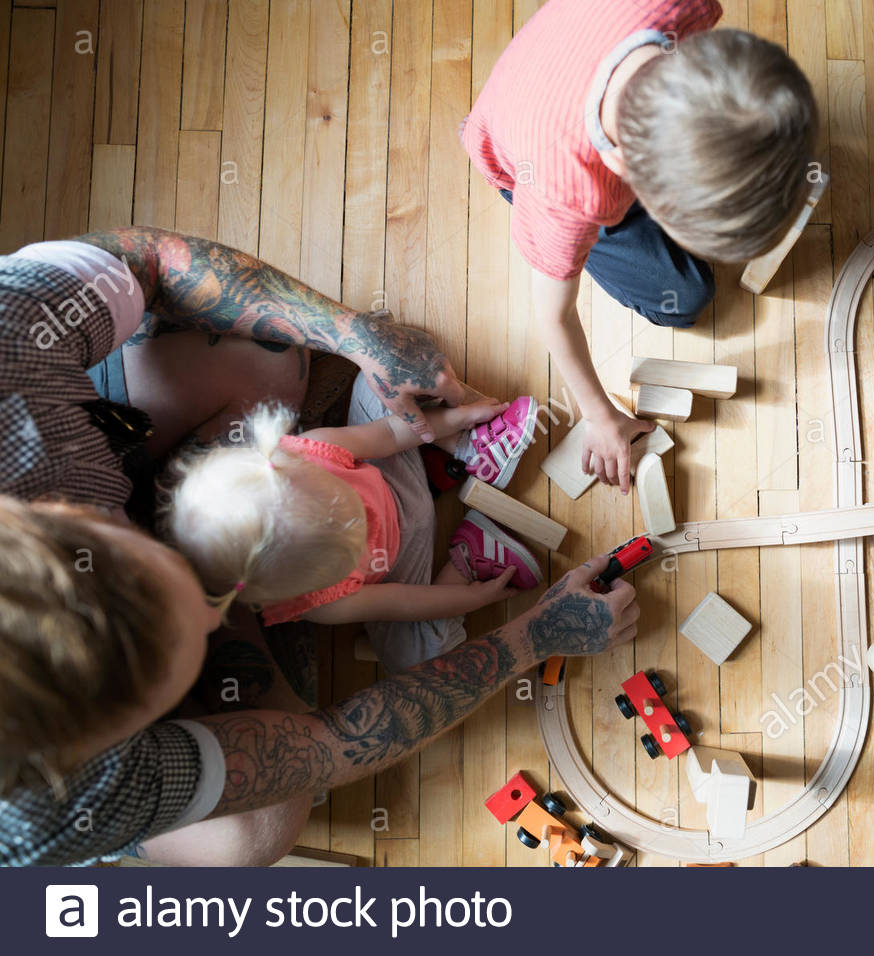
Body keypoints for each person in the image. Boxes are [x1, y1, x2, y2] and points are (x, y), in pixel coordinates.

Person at [0, 227, 639, 865]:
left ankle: (229, 524)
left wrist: (365, 341)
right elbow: (330, 747)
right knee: (250, 837)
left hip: (108, 447)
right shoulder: (49, 811)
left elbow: (145, 260)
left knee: (276, 357)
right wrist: (529, 636)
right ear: (108, 745)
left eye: (165, 569)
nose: (212, 605)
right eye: (200, 623)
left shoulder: (14, 355)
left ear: (61, 514)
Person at [461, 0, 818, 493]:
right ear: (631, 182)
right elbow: (552, 316)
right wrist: (598, 416)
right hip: (519, 159)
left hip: (576, 96)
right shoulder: (569, 197)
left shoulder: (680, 7)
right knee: (686, 295)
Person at [163, 393, 546, 673]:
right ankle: (467, 560)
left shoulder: (314, 449)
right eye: (350, 548)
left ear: (291, 466)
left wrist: (461, 420)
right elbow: (402, 600)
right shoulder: (318, 604)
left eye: (351, 508)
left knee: (379, 384)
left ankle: (475, 451)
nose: (365, 525)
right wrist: (468, 598)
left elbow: (391, 435)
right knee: (414, 662)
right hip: (404, 560)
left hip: (396, 479)